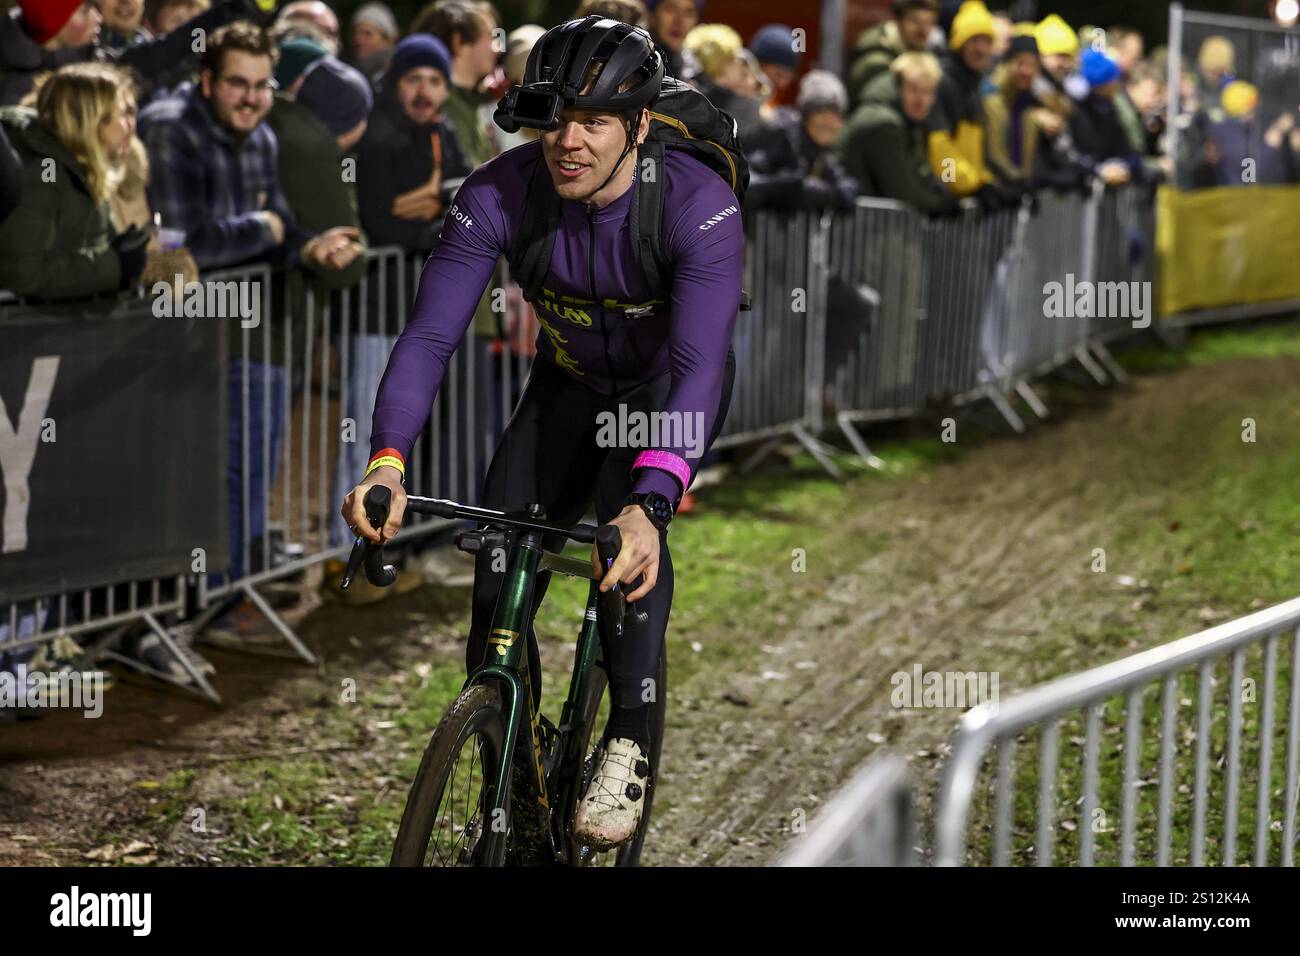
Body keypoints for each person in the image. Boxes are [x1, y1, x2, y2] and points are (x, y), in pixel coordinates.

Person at [342, 16, 743, 850]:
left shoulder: (700, 206)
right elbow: (428, 338)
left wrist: (652, 502)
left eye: (595, 121)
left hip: (666, 391)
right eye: (555, 117)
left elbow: (703, 364)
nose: (569, 141)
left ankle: (628, 735)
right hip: (565, 386)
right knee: (496, 573)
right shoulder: (497, 191)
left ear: (637, 126)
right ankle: (506, 771)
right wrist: (386, 460)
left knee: (625, 565)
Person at [0, 62, 150, 299]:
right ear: (92, 119)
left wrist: (123, 254)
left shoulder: (84, 168)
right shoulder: (43, 175)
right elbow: (21, 275)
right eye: (126, 113)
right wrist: (114, 265)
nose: (132, 127)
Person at [838, 51, 958, 215]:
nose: (921, 101)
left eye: (928, 92)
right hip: (854, 227)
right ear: (898, 87)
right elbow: (901, 190)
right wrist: (938, 205)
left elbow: (917, 170)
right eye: (914, 90)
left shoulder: (908, 123)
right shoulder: (884, 122)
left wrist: (937, 188)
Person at [927, 0, 1015, 208]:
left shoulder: (974, 86)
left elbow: (974, 151)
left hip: (963, 199)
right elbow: (940, 148)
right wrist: (958, 187)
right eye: (973, 40)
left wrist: (986, 183)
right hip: (946, 202)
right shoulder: (943, 81)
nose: (981, 49)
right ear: (959, 43)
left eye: (986, 41)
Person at [746, 70, 857, 213]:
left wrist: (829, 193)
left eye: (837, 115)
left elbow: (843, 183)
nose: (830, 122)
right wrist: (781, 188)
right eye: (822, 113)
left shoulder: (820, 151)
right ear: (806, 114)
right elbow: (747, 182)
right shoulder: (782, 134)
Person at [412, 0, 500, 171]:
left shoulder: (472, 103)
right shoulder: (435, 105)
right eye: (491, 36)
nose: (498, 48)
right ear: (459, 42)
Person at [847, 0, 938, 109]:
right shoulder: (875, 63)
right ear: (898, 22)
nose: (922, 30)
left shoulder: (928, 56)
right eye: (915, 21)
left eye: (928, 22)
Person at [645, 0, 700, 79]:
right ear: (651, 15)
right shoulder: (633, 62)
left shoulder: (692, 68)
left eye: (688, 13)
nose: (680, 21)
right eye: (671, 10)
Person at [749, 23, 800, 104]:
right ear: (756, 66)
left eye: (788, 77)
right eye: (778, 74)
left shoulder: (783, 114)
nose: (782, 84)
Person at [348, 1, 398, 80]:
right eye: (355, 34)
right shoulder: (350, 74)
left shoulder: (397, 77)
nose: (358, 40)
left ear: (387, 40)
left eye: (368, 34)